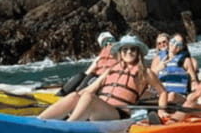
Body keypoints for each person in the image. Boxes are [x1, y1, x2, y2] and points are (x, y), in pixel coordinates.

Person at [39, 34, 168, 122]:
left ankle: (68, 126)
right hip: (101, 108)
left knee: (89, 98)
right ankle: (38, 121)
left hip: (118, 114)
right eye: (125, 49)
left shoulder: (145, 72)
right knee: (75, 95)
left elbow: (162, 92)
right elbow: (89, 89)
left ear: (138, 52)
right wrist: (75, 99)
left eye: (133, 49)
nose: (129, 52)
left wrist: (162, 111)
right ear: (120, 52)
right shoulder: (111, 70)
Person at [57, 31, 117, 95]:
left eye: (111, 41)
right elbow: (88, 72)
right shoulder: (100, 58)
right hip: (96, 77)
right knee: (82, 75)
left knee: (91, 78)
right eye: (106, 43)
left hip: (106, 79)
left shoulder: (120, 54)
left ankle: (78, 95)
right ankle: (63, 93)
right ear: (102, 46)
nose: (109, 44)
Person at [156, 34, 199, 105]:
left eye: (179, 44)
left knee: (171, 95)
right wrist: (158, 69)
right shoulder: (158, 59)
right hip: (160, 95)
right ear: (169, 42)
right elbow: (149, 78)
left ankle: (162, 112)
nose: (175, 45)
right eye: (173, 41)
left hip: (178, 96)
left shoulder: (186, 61)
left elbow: (193, 80)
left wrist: (196, 89)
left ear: (182, 47)